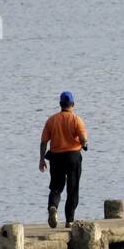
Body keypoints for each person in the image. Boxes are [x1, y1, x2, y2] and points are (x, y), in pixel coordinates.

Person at [39, 91, 89, 228]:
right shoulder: (76, 120)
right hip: (73, 157)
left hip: (56, 157)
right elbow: (83, 139)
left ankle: (53, 207)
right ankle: (69, 220)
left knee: (56, 187)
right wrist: (84, 144)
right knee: (72, 189)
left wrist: (42, 160)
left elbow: (43, 142)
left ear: (60, 104)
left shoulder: (51, 120)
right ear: (72, 104)